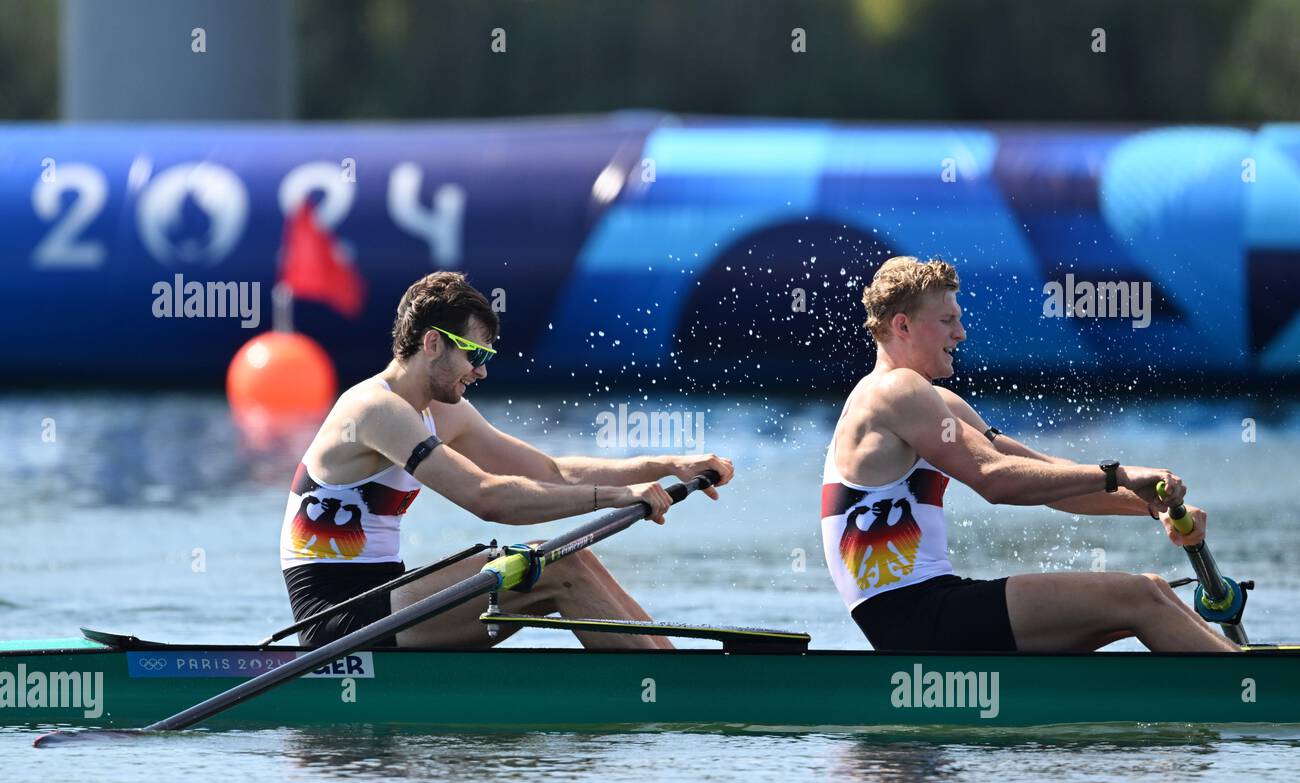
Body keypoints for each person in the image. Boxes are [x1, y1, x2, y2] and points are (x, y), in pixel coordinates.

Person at [281, 271, 733, 649]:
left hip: (383, 594)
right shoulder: (374, 409)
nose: (481, 371)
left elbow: (551, 472)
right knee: (558, 564)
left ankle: (672, 675)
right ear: (433, 343)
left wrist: (664, 465)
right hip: (334, 618)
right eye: (474, 354)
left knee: (575, 558)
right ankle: (673, 693)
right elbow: (486, 498)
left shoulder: (441, 410)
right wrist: (616, 496)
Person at [820, 256, 1238, 653]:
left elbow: (1050, 479)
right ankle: (1253, 687)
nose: (961, 333)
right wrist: (1121, 474)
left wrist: (1152, 506)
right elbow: (995, 479)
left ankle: (1228, 673)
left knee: (1149, 596)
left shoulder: (937, 402)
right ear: (903, 325)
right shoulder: (895, 391)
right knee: (1141, 594)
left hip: (927, 609)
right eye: (948, 321)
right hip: (913, 616)